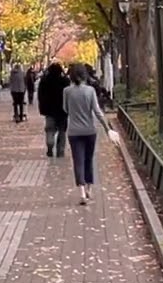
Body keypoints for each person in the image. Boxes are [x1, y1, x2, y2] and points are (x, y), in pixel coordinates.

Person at [63, 63, 118, 205]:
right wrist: (107, 129)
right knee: (88, 159)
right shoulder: (90, 91)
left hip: (74, 131)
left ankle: (81, 191)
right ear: (84, 75)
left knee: (78, 160)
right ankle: (89, 188)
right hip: (89, 130)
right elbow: (97, 112)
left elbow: (65, 109)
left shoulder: (67, 91)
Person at [37, 63, 69, 158]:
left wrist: (42, 108)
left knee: (49, 130)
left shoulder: (44, 81)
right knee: (62, 131)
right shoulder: (65, 81)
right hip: (62, 110)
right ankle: (60, 150)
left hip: (49, 110)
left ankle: (50, 146)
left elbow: (40, 96)